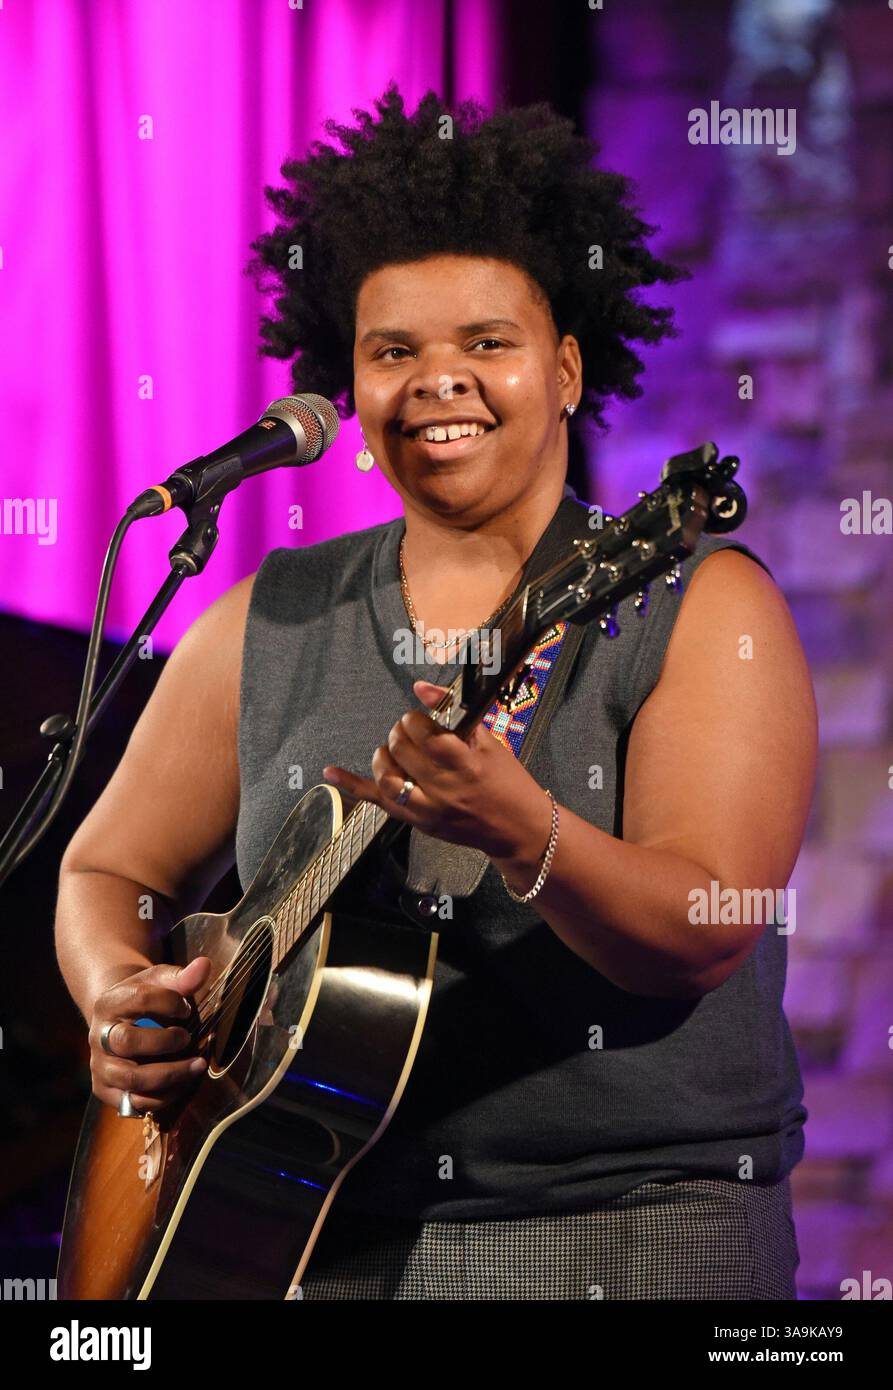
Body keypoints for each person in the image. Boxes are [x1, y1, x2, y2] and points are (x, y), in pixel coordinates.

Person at [55, 85, 816, 1300]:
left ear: (565, 369)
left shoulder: (691, 599)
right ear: (344, 390)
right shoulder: (272, 612)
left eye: (485, 344)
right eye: (392, 351)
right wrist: (120, 1001)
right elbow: (106, 873)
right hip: (306, 1222)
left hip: (627, 1229)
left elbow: (706, 925)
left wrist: (526, 831)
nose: (436, 381)